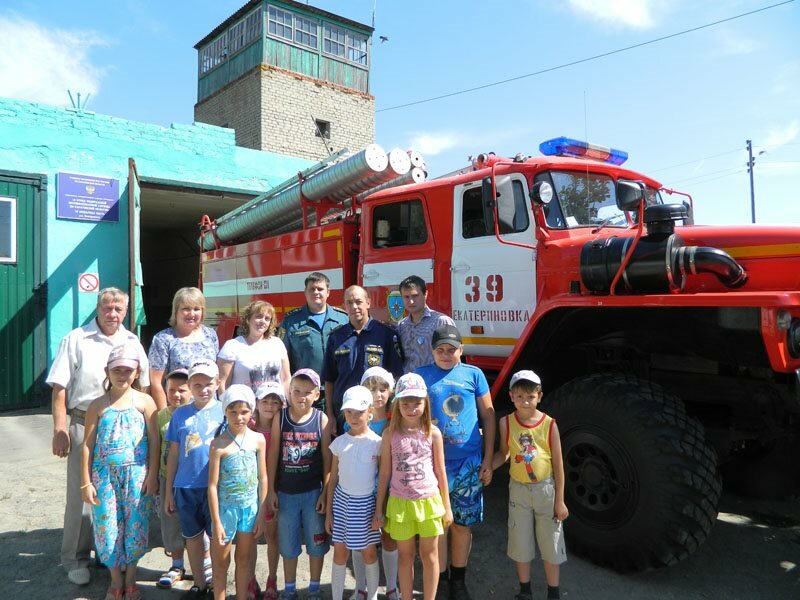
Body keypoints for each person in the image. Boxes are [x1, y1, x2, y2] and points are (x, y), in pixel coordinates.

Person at [46, 286, 150, 586]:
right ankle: (76, 558)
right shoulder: (76, 339)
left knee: (120, 496)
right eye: (107, 307)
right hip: (83, 422)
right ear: (98, 307)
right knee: (82, 494)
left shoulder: (132, 341)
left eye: (118, 308)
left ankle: (112, 556)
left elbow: (142, 386)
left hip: (125, 426)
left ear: (126, 311)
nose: (112, 313)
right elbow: (60, 387)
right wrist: (60, 428)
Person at [415, 325, 496, 600]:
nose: (446, 355)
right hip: (431, 466)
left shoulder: (474, 375)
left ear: (461, 350)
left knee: (462, 524)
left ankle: (458, 580)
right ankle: (438, 578)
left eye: (452, 350)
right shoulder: (421, 376)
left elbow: (488, 416)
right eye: (440, 350)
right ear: (432, 351)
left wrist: (487, 459)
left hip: (468, 464)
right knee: (437, 525)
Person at [80, 344, 159, 600]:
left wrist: (152, 474)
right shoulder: (98, 406)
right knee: (107, 527)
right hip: (104, 477)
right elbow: (87, 447)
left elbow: (155, 441)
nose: (122, 374)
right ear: (107, 371)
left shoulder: (145, 402)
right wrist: (86, 483)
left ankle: (131, 578)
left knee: (136, 524)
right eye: (117, 370)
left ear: (137, 372)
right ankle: (115, 582)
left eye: (128, 370)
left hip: (136, 475)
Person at [372, 373, 452, 600]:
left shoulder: (433, 433)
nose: (411, 408)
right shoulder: (389, 434)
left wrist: (447, 506)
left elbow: (440, 471)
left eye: (416, 402)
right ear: (397, 404)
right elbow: (385, 473)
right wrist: (379, 509)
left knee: (430, 555)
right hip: (400, 504)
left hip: (429, 502)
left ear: (425, 403)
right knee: (405, 556)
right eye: (405, 402)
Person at [493, 370, 568, 600]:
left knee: (551, 542)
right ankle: (525, 590)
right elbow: (504, 453)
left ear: (539, 396)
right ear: (511, 396)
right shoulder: (506, 422)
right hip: (518, 490)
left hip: (546, 489)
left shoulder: (549, 424)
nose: (525, 401)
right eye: (520, 396)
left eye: (530, 396)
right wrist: (487, 467)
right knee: (520, 541)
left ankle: (553, 592)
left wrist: (560, 500)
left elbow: (558, 464)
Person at [267, 368, 331, 600]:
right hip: (286, 494)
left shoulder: (320, 419)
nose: (301, 396)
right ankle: (290, 588)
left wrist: (325, 493)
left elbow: (327, 458)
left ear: (317, 395)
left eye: (307, 392)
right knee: (288, 544)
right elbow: (273, 453)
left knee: (316, 543)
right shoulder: (281, 418)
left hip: (313, 493)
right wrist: (271, 490)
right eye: (296, 391)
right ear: (289, 392)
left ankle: (314, 587)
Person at [165, 359, 225, 599]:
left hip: (216, 488)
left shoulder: (225, 410)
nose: (203, 389)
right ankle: (199, 583)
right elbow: (173, 453)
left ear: (218, 382)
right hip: (185, 486)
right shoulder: (180, 415)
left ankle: (218, 584)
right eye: (197, 384)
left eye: (208, 383)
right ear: (189, 385)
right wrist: (168, 490)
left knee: (218, 538)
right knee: (192, 537)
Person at [208, 385, 269, 600]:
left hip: (250, 509)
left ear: (252, 411)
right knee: (221, 562)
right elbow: (212, 485)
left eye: (244, 412)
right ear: (225, 411)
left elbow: (263, 477)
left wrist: (261, 512)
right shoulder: (218, 445)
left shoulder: (258, 440)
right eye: (233, 412)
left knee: (243, 559)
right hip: (226, 511)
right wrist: (216, 521)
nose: (239, 417)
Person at [326, 386, 383, 600]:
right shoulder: (339, 443)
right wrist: (330, 512)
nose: (353, 416)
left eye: (359, 411)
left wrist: (379, 510)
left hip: (366, 504)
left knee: (368, 552)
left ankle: (373, 596)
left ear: (370, 411)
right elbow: (333, 479)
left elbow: (382, 478)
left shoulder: (377, 443)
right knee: (340, 553)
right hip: (342, 503)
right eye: (348, 412)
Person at [347, 367, 399, 600]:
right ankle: (361, 587)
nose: (377, 394)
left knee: (389, 537)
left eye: (383, 389)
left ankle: (391, 587)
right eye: (371, 388)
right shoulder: (354, 423)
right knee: (360, 541)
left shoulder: (395, 423)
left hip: (389, 490)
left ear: (391, 391)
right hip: (362, 490)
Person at [323, 285, 404, 435]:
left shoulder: (386, 334)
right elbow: (329, 380)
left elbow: (397, 376)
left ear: (368, 302)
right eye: (349, 302)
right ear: (343, 306)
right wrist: (330, 415)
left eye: (358, 302)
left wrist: (394, 412)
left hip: (378, 417)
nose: (354, 307)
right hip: (346, 415)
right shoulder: (336, 337)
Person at [278, 272, 349, 412]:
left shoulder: (343, 319)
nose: (316, 292)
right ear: (305, 292)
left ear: (328, 292)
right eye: (312, 289)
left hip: (338, 391)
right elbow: (281, 359)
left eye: (320, 289)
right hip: (305, 394)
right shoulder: (291, 321)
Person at [149, 287, 219, 410]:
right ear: (176, 311)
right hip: (179, 410)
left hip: (209, 407)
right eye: (186, 309)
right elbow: (156, 383)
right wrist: (165, 416)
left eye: (196, 309)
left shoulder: (211, 335)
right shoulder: (163, 339)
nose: (191, 314)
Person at [249, 381, 286, 600]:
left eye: (275, 401)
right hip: (250, 492)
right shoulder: (247, 425)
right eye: (265, 400)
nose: (270, 406)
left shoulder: (284, 427)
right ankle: (250, 579)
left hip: (275, 490)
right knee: (251, 537)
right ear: (256, 402)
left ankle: (272, 579)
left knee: (272, 536)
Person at [156, 369, 192, 590]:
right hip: (165, 477)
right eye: (171, 390)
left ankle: (204, 564)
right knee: (171, 521)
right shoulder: (160, 416)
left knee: (197, 522)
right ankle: (177, 565)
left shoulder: (196, 413)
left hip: (192, 478)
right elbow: (156, 446)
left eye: (182, 390)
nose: (176, 394)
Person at [218, 300, 290, 396]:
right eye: (258, 316)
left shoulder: (277, 344)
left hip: (273, 407)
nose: (262, 321)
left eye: (267, 318)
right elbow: (223, 384)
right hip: (244, 408)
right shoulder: (232, 346)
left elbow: (286, 379)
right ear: (248, 319)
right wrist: (226, 407)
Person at [396, 275, 454, 373]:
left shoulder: (441, 321)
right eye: (406, 297)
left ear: (425, 294)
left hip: (433, 383)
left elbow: (453, 356)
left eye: (415, 296)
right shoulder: (402, 325)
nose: (411, 301)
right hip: (408, 384)